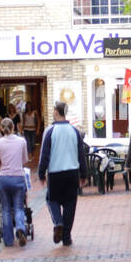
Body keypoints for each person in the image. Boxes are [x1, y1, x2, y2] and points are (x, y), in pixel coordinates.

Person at [37, 100, 87, 246]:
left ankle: (58, 222)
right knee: (70, 204)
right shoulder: (74, 131)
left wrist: (41, 174)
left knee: (52, 200)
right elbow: (80, 154)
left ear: (56, 112)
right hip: (72, 172)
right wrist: (83, 174)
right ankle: (66, 237)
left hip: (55, 173)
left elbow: (44, 155)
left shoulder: (50, 131)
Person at [0, 116, 30, 247]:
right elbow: (25, 160)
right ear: (13, 127)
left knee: (6, 209)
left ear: (2, 129)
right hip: (18, 177)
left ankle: (8, 240)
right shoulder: (22, 141)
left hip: (4, 178)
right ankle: (20, 227)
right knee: (19, 207)